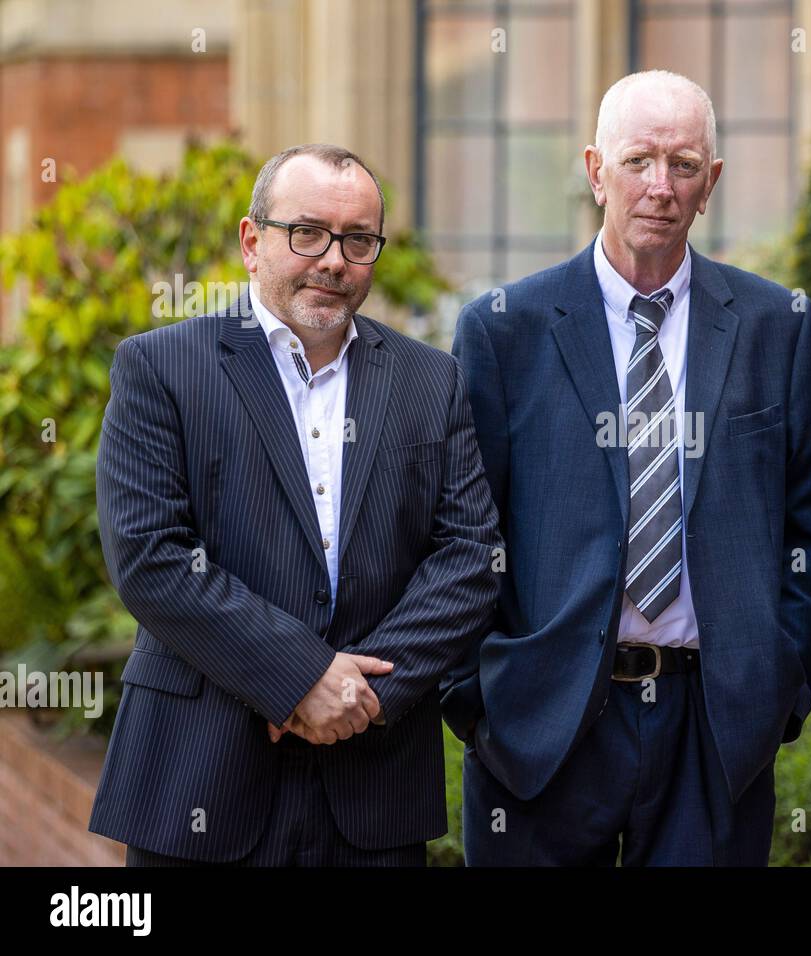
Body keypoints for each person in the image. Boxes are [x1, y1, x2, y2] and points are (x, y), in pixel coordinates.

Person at [444, 70, 811, 866]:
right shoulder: (503, 330)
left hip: (711, 721)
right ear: (594, 170)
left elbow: (807, 524)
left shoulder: (772, 325)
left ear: (711, 182)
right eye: (637, 161)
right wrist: (477, 699)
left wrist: (779, 689)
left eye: (684, 164)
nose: (660, 186)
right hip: (544, 719)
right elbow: (461, 530)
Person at [90, 143, 502, 865]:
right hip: (201, 772)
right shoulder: (161, 368)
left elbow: (470, 557)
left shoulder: (429, 380)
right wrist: (302, 678)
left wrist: (359, 694)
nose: (333, 260)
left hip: (372, 784)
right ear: (253, 242)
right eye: (306, 233)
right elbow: (150, 558)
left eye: (358, 240)